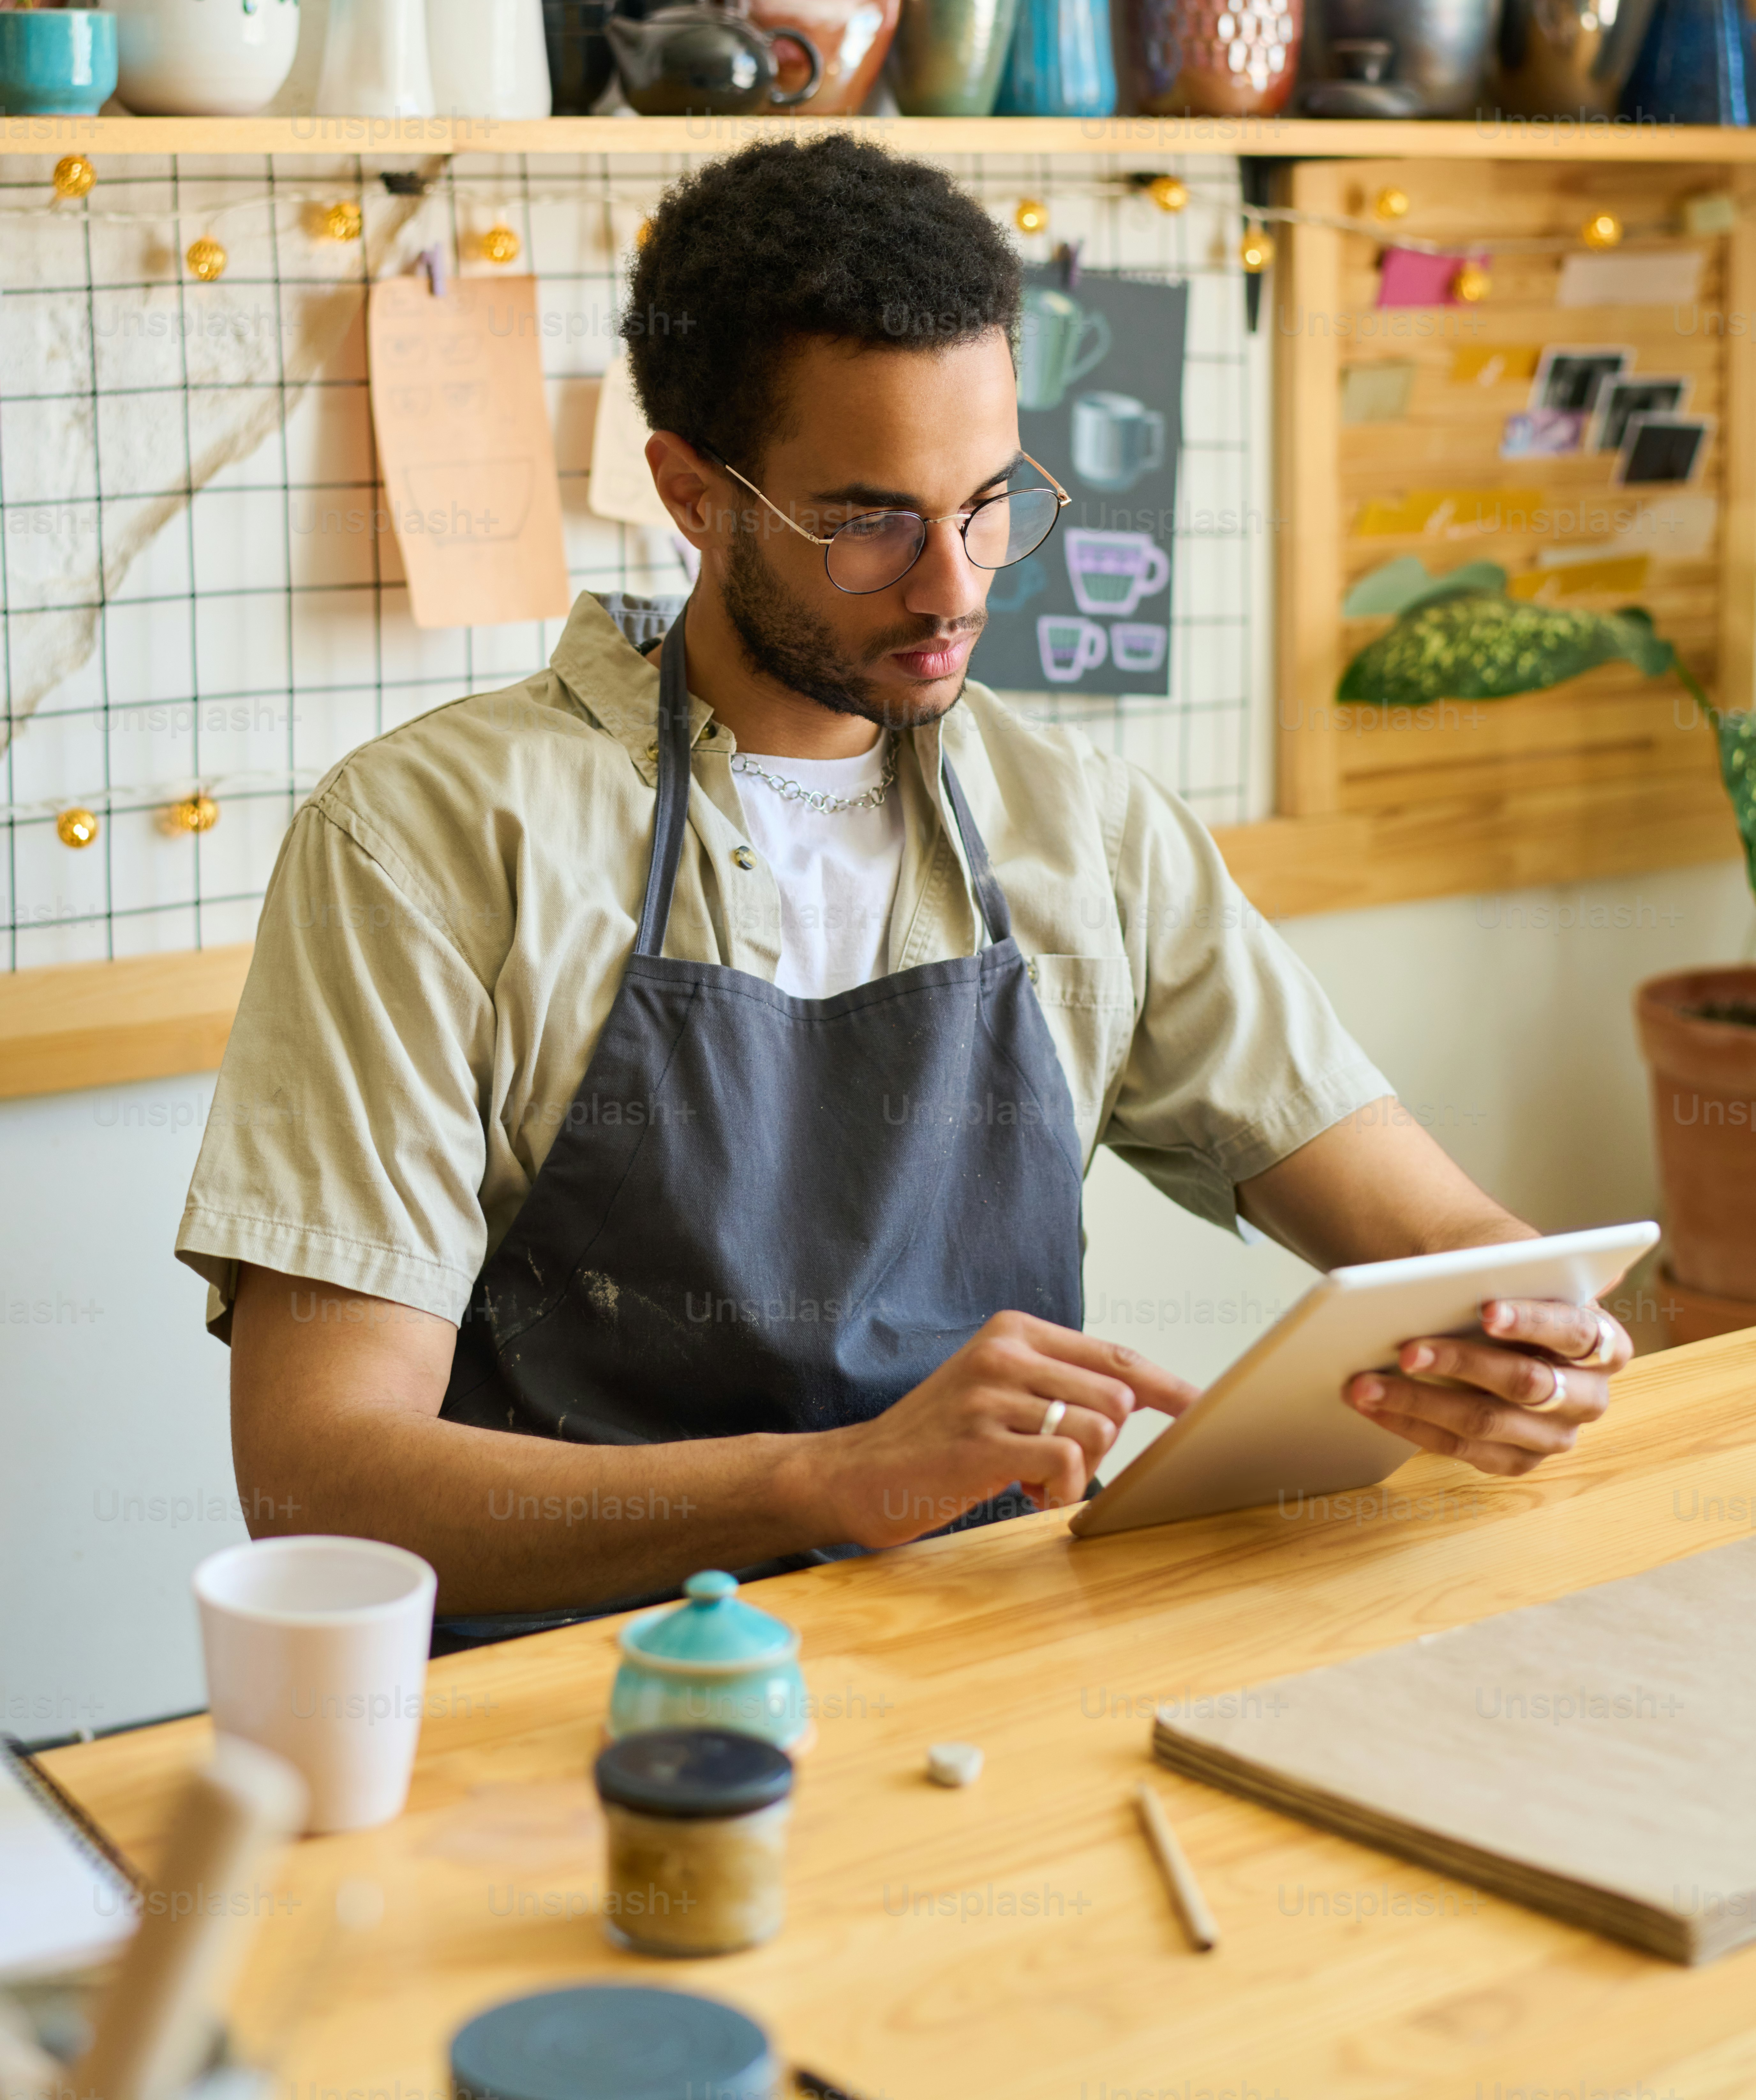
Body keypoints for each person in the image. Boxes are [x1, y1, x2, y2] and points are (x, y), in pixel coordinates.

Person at [178, 136, 1631, 1633]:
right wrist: (820, 1484)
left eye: (987, 503)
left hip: (985, 1670)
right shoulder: (425, 842)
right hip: (593, 1708)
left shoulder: (1086, 833)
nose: (953, 588)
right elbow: (318, 1481)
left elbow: (1434, 1240)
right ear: (691, 495)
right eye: (868, 523)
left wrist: (1522, 1335)